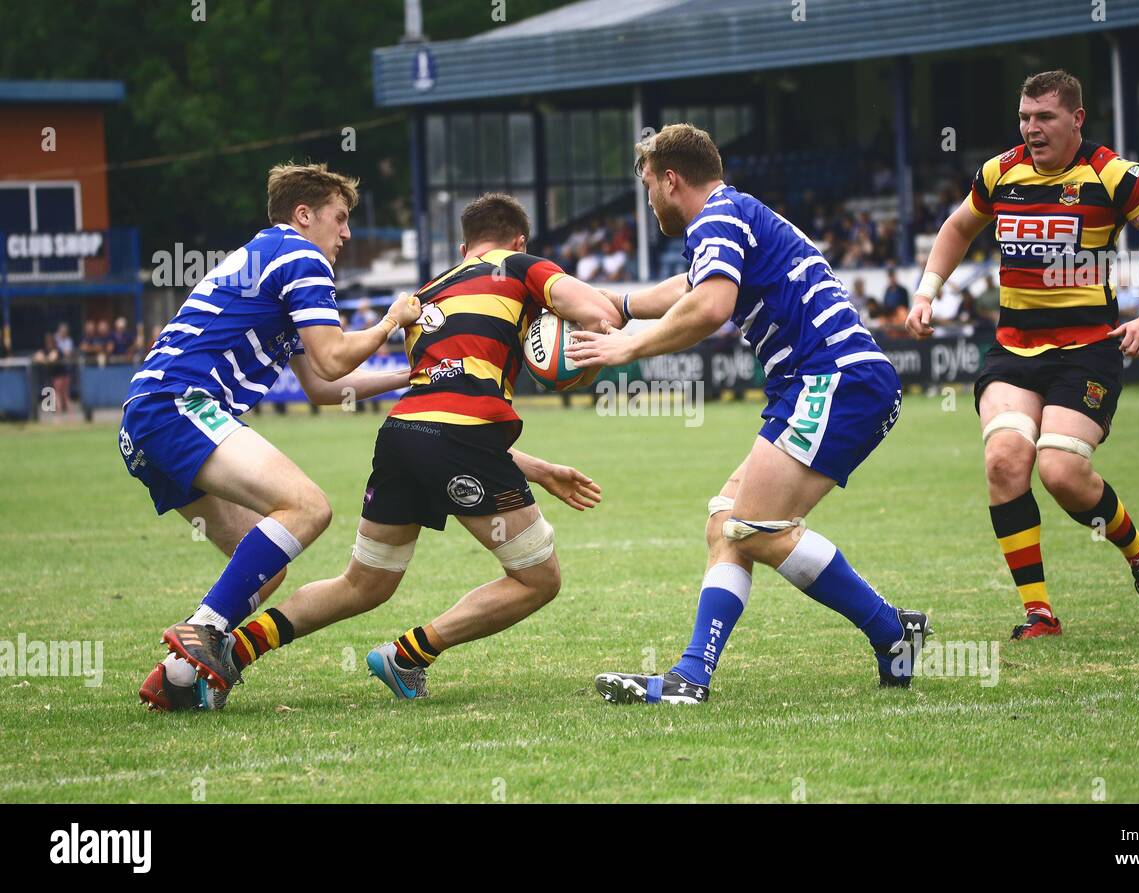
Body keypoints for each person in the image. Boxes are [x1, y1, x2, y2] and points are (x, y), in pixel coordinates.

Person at [198, 193, 621, 706]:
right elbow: (599, 312)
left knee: (364, 583)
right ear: (518, 240)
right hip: (463, 442)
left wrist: (536, 469)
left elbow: (435, 404)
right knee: (538, 579)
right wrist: (592, 349)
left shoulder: (426, 296)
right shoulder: (520, 266)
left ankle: (232, 651)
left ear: (464, 247)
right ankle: (408, 655)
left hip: (402, 437)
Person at [568, 123, 929, 703]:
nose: (649, 200)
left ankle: (892, 631)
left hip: (834, 378)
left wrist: (627, 346)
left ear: (670, 179)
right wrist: (618, 304)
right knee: (726, 523)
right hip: (817, 383)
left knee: (750, 526)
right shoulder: (730, 215)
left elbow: (710, 307)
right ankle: (693, 676)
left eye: (648, 187)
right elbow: (691, 287)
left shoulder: (717, 216)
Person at [906, 70, 1139, 640]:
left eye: (1044, 117)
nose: (1032, 128)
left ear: (1076, 119)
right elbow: (956, 228)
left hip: (1086, 353)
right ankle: (1039, 612)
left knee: (1062, 471)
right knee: (1003, 463)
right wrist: (926, 292)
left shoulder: (1112, 175)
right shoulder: (1001, 172)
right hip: (1013, 351)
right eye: (1024, 116)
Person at [128, 162, 422, 711]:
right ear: (304, 214)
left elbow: (322, 387)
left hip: (149, 415)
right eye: (340, 218)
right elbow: (334, 358)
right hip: (179, 404)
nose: (346, 233)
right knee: (307, 508)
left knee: (265, 565)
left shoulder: (266, 257)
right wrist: (388, 322)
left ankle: (175, 680)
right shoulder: (301, 255)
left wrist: (409, 377)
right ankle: (204, 629)